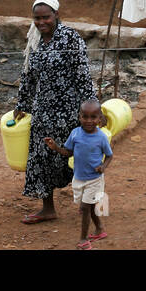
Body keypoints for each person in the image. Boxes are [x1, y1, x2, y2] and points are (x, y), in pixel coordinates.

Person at [12, 0, 97, 225]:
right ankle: (47, 209)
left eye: (46, 17)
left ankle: (90, 204)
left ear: (57, 15)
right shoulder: (35, 40)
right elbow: (28, 75)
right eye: (37, 18)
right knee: (41, 159)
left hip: (68, 113)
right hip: (42, 113)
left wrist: (92, 107)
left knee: (78, 159)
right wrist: (22, 104)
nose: (41, 22)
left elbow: (82, 76)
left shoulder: (71, 39)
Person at [44, 99, 113, 249]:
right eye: (85, 116)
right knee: (88, 205)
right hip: (79, 178)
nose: (89, 121)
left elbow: (109, 155)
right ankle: (100, 229)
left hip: (94, 180)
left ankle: (83, 239)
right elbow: (68, 152)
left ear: (100, 118)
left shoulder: (101, 137)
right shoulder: (75, 133)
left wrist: (103, 166)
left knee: (86, 208)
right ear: (79, 116)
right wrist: (55, 147)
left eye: (93, 117)